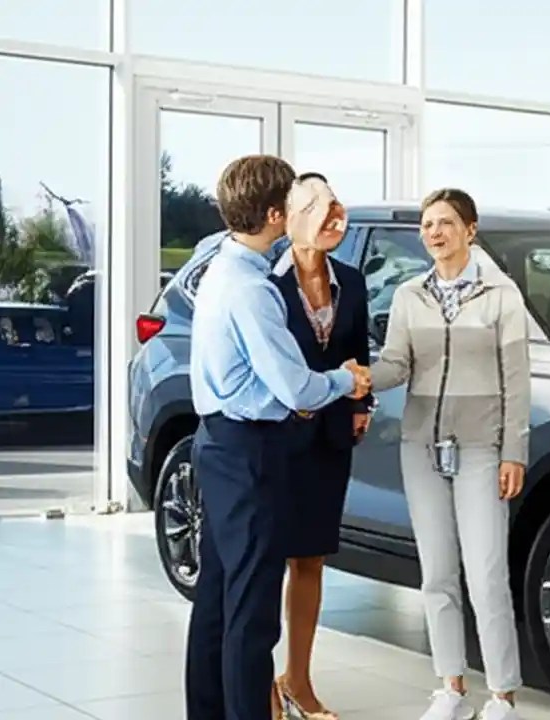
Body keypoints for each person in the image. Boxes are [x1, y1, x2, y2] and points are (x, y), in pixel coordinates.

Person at [185, 154, 371, 720]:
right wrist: (348, 380)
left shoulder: (225, 266)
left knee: (217, 599)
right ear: (273, 214)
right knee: (252, 612)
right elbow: (295, 388)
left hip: (220, 445)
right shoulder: (254, 289)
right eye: (291, 204)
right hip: (250, 453)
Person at [369, 188, 530, 720]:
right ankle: (452, 688)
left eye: (444, 223)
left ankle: (502, 694)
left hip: (482, 447)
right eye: (426, 225)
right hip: (421, 448)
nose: (433, 233)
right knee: (436, 571)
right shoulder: (409, 295)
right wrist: (363, 377)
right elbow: (397, 365)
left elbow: (516, 382)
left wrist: (514, 452)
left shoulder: (501, 296)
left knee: (486, 574)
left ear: (470, 230)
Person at [271, 172, 373, 720]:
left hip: (328, 440)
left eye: (338, 204)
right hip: (273, 440)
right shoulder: (265, 279)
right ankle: (261, 679)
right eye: (321, 206)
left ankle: (299, 681)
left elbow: (358, 349)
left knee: (309, 559)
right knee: (264, 562)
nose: (336, 215)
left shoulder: (352, 281)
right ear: (288, 217)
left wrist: (360, 407)